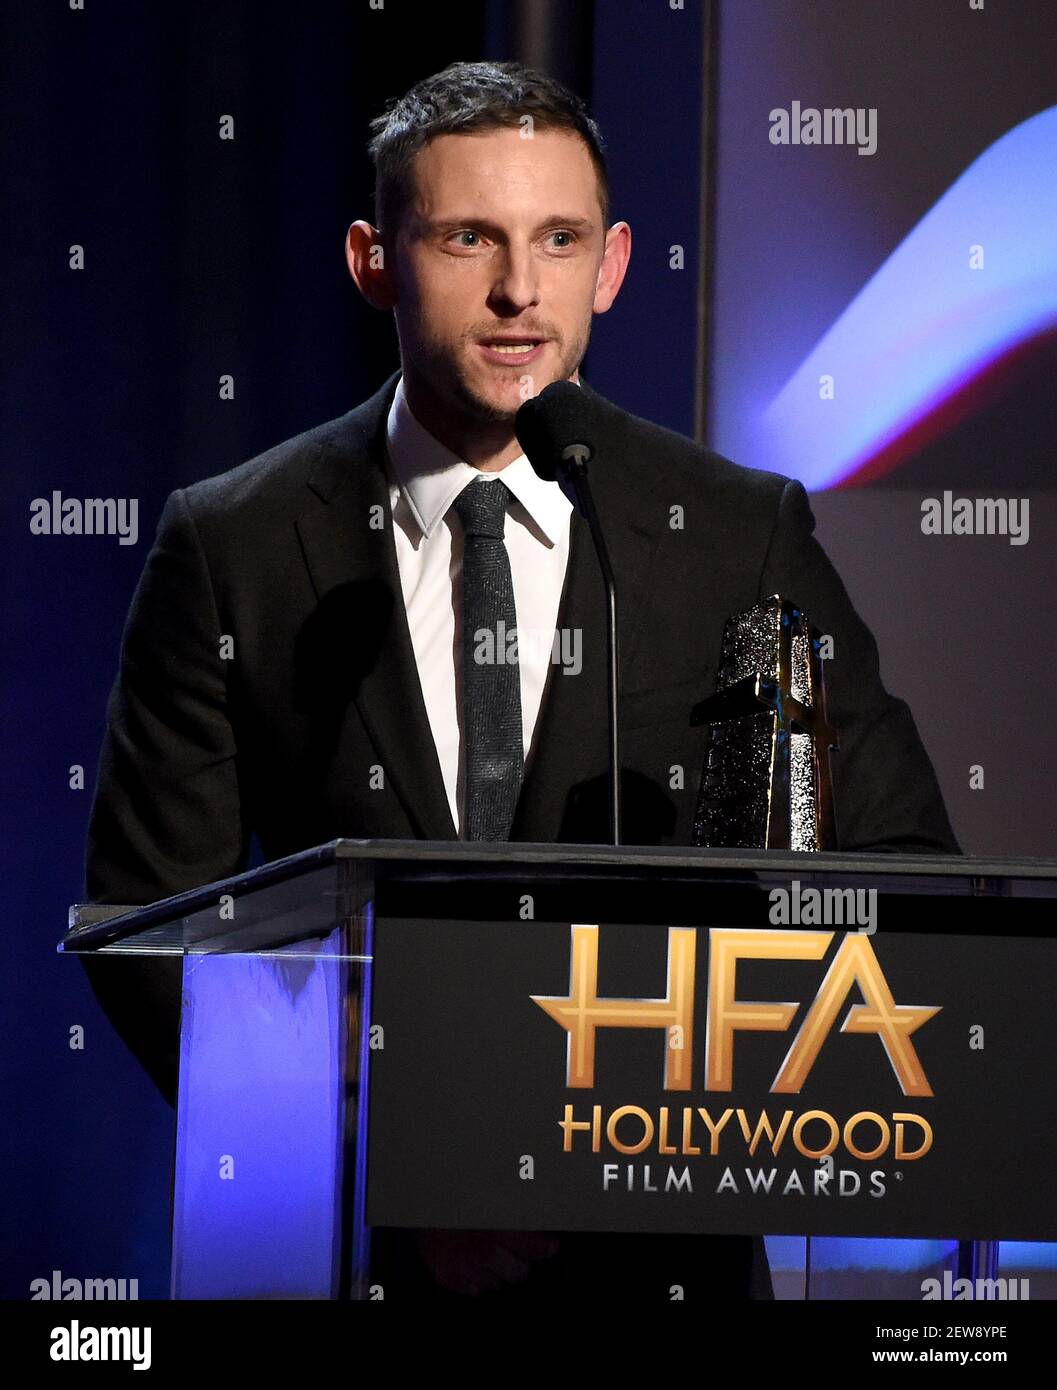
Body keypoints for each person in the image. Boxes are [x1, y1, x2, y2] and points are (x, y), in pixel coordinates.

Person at [84, 60, 959, 1302]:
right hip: (355, 1260)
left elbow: (903, 874)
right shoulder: (233, 542)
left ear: (610, 265)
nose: (517, 291)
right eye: (466, 238)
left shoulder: (733, 532)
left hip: (665, 1262)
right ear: (373, 259)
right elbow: (147, 926)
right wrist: (387, 1163)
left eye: (558, 240)